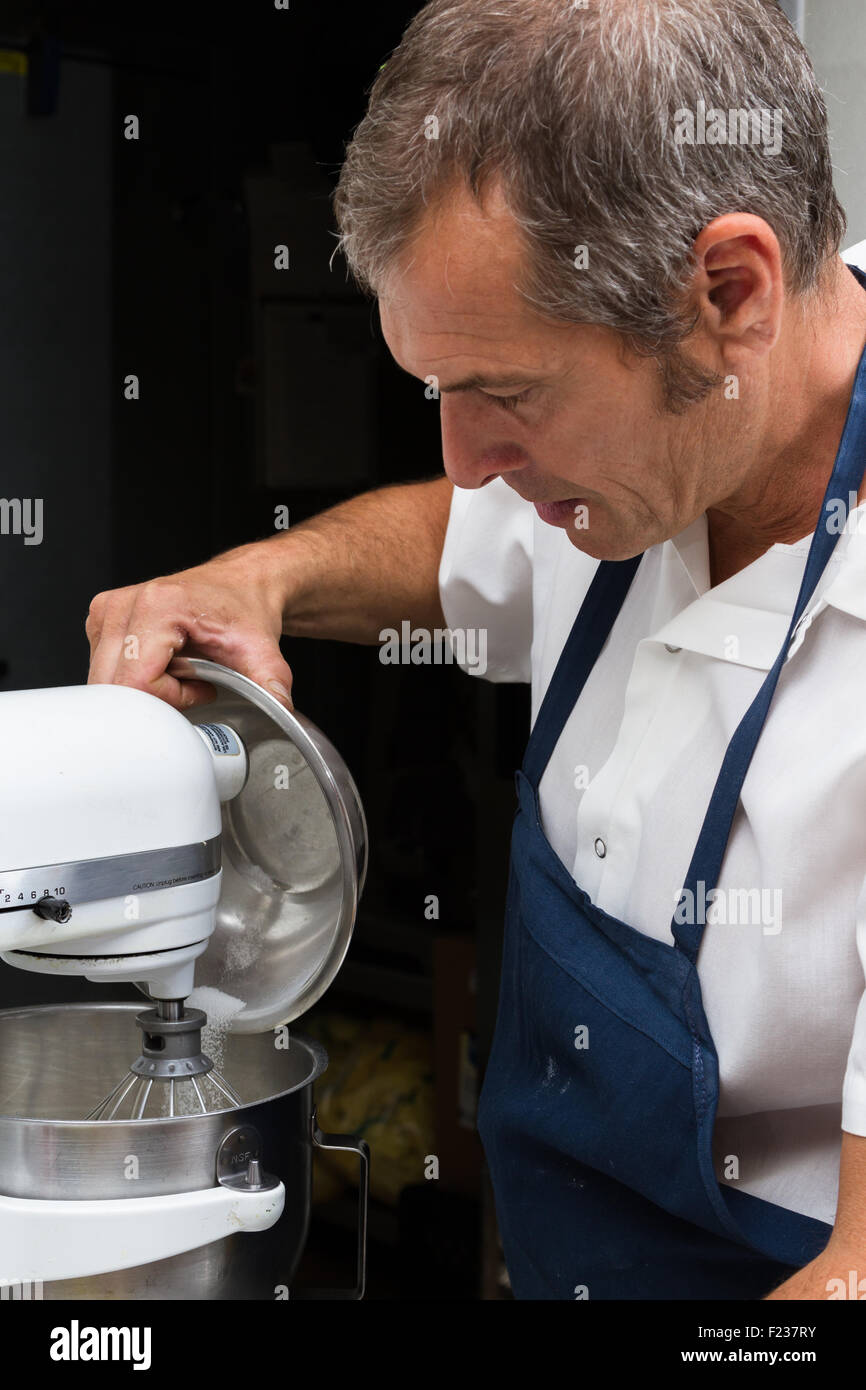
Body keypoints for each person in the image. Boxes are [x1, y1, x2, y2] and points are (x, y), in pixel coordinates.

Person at [88, 0, 866, 1299]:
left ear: (728, 293)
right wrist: (258, 575)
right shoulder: (645, 461)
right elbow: (461, 543)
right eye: (438, 394)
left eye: (505, 393)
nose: (466, 463)